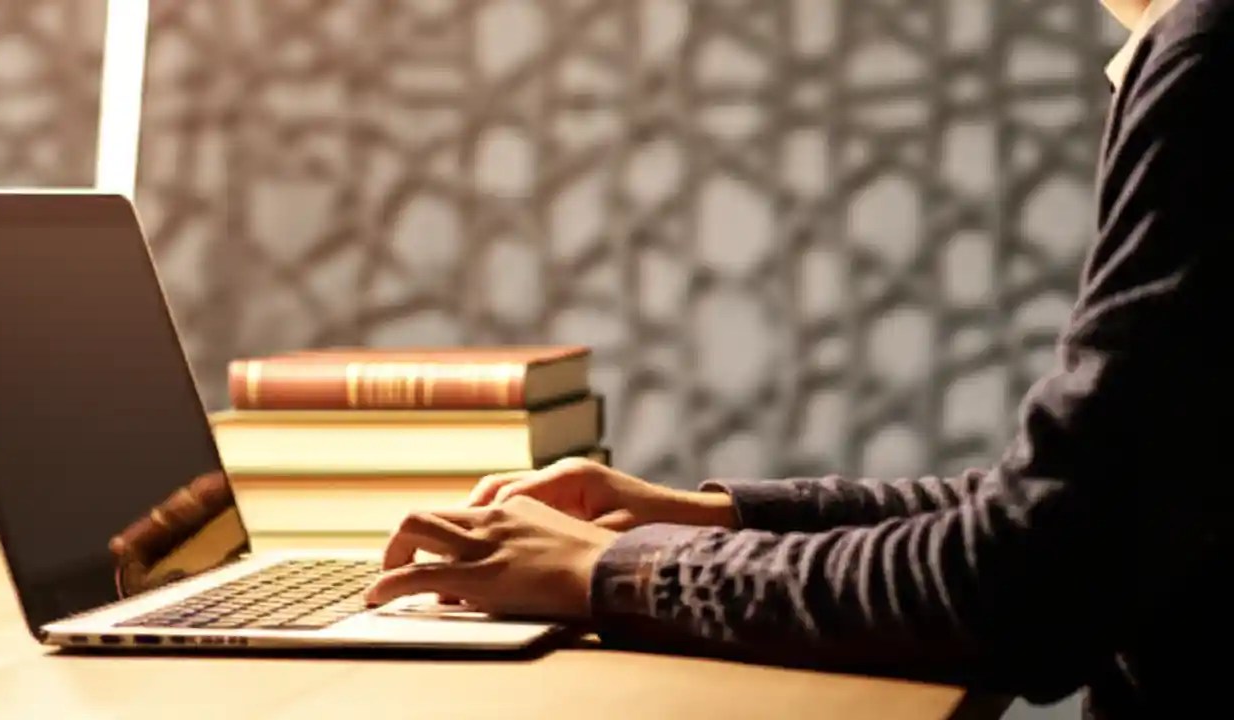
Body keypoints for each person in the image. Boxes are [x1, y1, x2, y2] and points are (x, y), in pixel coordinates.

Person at [365, 1, 1232, 716]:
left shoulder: (1213, 53)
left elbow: (1031, 584)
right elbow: (1099, 505)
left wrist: (607, 572)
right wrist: (712, 519)